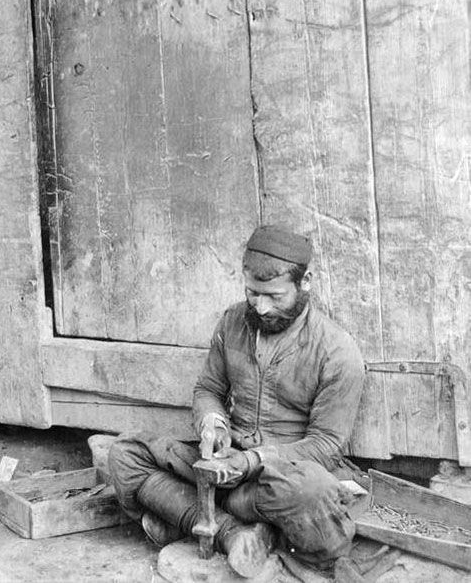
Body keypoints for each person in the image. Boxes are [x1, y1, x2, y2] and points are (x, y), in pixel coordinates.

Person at [107, 225, 366, 577]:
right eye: (252, 293)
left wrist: (252, 460)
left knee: (312, 491)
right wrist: (213, 425)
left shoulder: (337, 351)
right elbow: (208, 389)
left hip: (278, 477)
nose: (260, 307)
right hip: (221, 469)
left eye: (274, 296)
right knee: (125, 453)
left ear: (305, 282)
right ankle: (231, 533)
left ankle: (189, 516)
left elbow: (326, 444)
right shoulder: (232, 322)